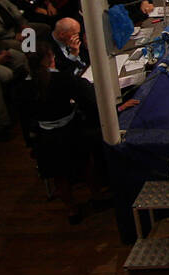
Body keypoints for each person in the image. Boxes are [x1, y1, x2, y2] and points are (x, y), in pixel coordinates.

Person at [12, 41, 108, 224]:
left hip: (45, 137)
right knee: (87, 163)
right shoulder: (63, 80)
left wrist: (31, 143)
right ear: (50, 59)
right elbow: (88, 100)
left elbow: (24, 119)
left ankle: (71, 209)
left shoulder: (21, 88)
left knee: (59, 176)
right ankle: (96, 197)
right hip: (70, 131)